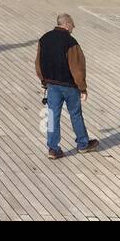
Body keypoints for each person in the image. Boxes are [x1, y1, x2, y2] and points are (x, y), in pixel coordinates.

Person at [35, 13, 98, 159]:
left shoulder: (44, 39)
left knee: (52, 116)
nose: (74, 27)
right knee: (75, 114)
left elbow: (38, 63)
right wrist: (82, 87)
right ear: (67, 24)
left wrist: (44, 81)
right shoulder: (71, 42)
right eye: (72, 24)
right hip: (69, 86)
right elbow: (77, 67)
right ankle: (83, 144)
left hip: (52, 85)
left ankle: (53, 149)